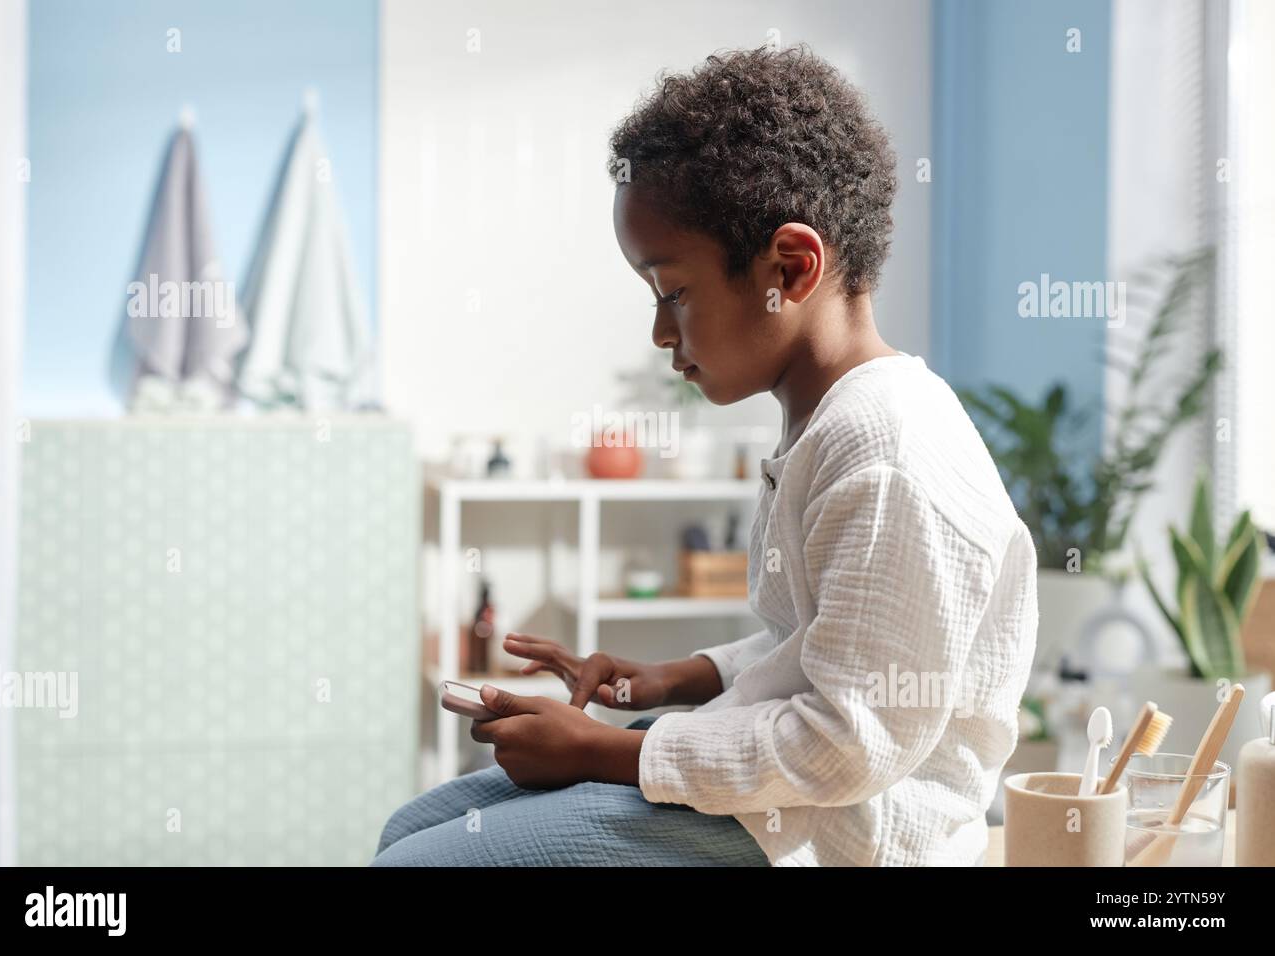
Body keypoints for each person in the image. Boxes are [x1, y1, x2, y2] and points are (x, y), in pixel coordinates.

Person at [373, 44, 1037, 867]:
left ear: (790, 269)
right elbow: (820, 646)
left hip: (848, 830)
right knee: (405, 834)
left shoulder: (887, 453)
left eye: (673, 292)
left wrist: (601, 751)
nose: (660, 334)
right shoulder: (833, 423)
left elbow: (847, 744)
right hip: (782, 797)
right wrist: (674, 680)